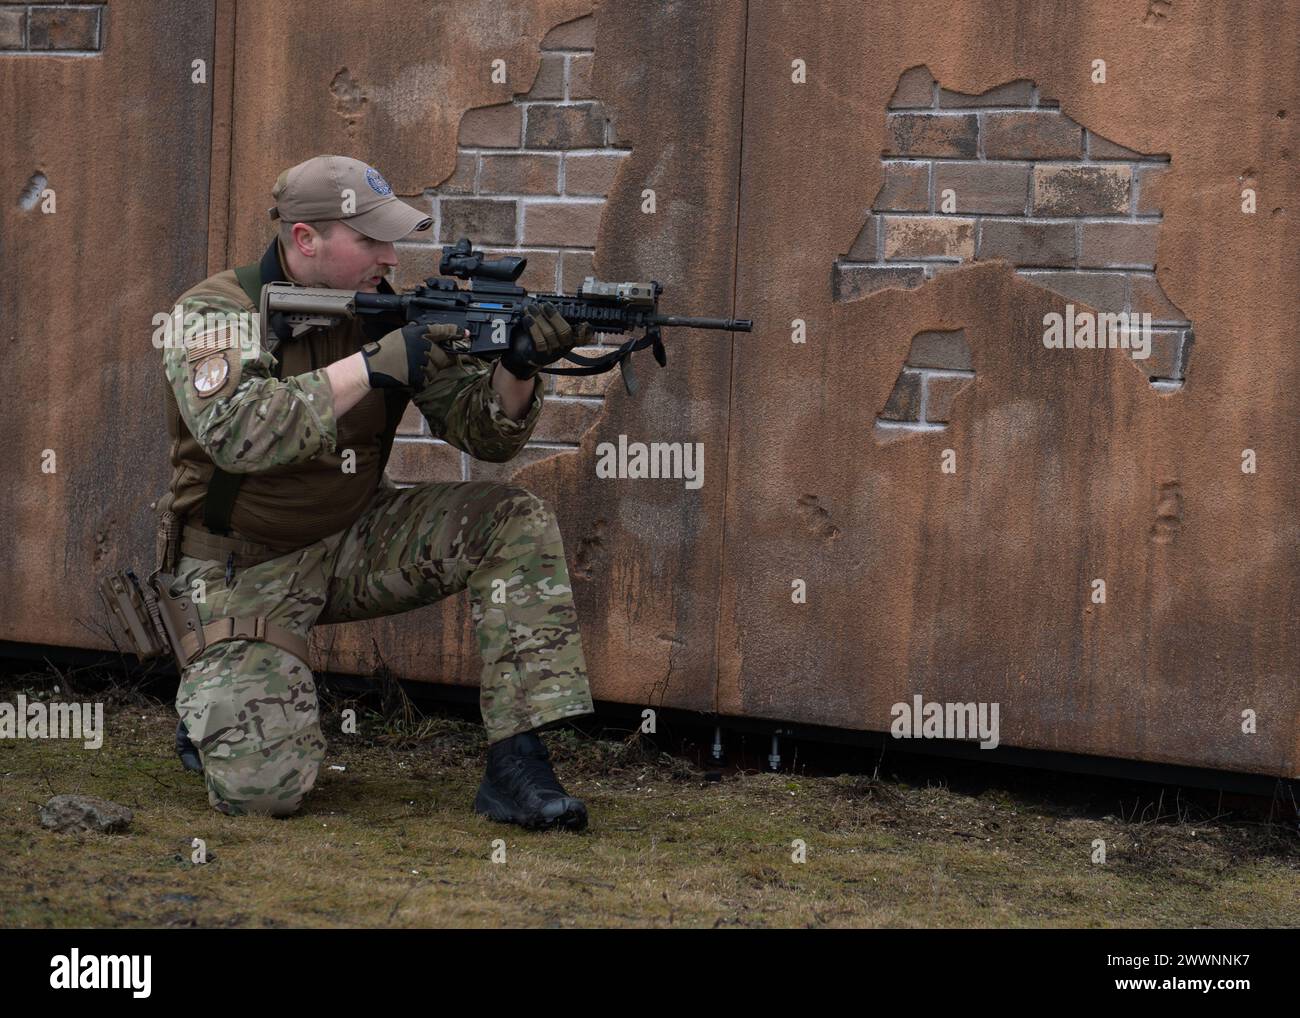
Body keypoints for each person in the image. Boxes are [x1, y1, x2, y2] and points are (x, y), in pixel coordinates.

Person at [156, 154, 595, 831]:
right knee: (264, 795)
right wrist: (371, 366)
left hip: (356, 539)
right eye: (370, 241)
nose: (391, 256)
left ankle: (518, 762)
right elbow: (240, 431)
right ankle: (211, 703)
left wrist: (518, 366)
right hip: (241, 568)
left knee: (512, 519)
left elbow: (488, 435)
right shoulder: (217, 310)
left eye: (392, 240)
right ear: (305, 239)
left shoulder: (390, 312)